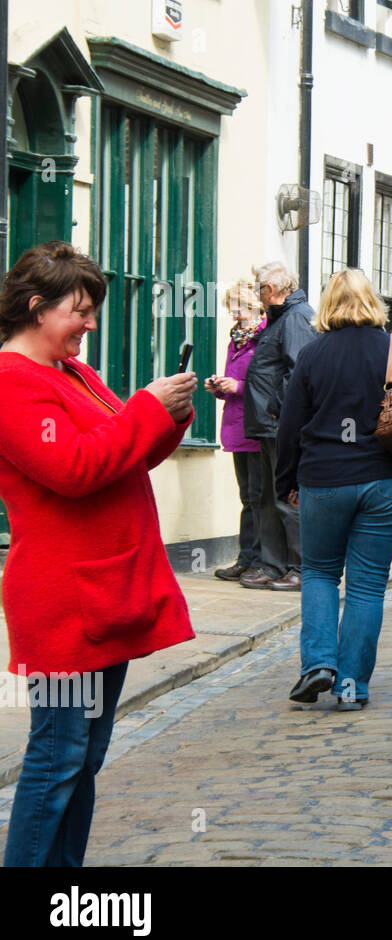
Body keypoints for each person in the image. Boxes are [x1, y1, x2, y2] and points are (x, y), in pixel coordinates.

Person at [0, 242, 197, 866]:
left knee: (83, 758)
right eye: (80, 311)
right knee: (57, 759)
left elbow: (124, 454)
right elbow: (73, 469)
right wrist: (144, 409)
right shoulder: (11, 384)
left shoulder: (72, 373)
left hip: (104, 593)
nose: (90, 324)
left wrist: (167, 417)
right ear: (37, 308)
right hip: (63, 604)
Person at [275, 269, 392, 710]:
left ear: (328, 304)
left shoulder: (312, 355)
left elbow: (289, 426)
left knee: (320, 573)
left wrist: (286, 481)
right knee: (367, 588)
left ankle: (319, 665)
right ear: (372, 302)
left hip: (324, 480)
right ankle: (351, 686)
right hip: (386, 482)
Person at [241, 261, 318, 591]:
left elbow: (297, 370)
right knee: (269, 498)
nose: (257, 294)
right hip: (267, 426)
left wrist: (275, 410)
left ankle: (299, 567)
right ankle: (273, 567)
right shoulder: (282, 317)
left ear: (270, 290)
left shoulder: (296, 317)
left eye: (258, 288)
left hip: (278, 425)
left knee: (286, 498)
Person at [206, 280, 267, 580]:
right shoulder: (237, 340)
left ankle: (256, 560)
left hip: (256, 428)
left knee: (257, 496)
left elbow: (271, 383)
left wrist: (239, 386)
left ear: (255, 306)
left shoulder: (264, 338)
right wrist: (220, 387)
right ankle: (247, 558)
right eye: (232, 309)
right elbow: (235, 381)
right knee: (248, 496)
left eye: (239, 308)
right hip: (236, 425)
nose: (234, 314)